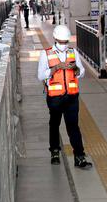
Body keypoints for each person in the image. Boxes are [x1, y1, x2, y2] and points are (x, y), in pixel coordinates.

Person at [36, 25, 91, 169]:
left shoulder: (73, 52)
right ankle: (54, 151)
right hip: (55, 98)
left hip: (72, 97)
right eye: (61, 42)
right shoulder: (46, 54)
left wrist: (76, 69)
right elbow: (40, 75)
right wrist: (56, 68)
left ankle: (79, 156)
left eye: (66, 42)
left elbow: (82, 72)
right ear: (55, 39)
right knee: (54, 124)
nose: (63, 45)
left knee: (73, 126)